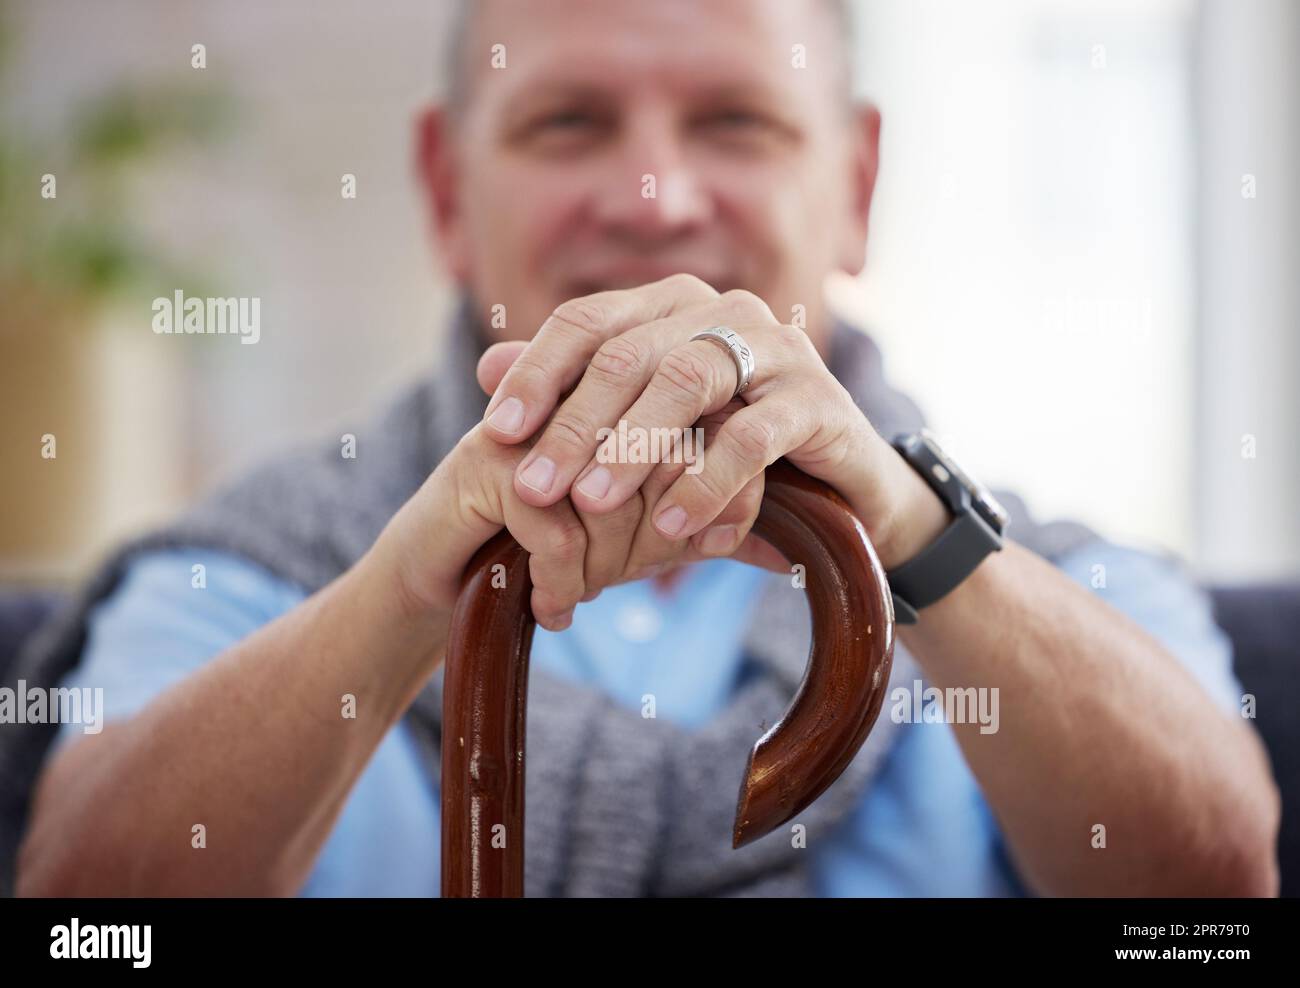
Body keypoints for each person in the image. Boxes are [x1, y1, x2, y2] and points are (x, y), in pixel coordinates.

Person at [10, 0, 1279, 897]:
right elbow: (86, 917)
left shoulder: (1041, 578)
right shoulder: (256, 568)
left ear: (856, 185)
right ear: (449, 192)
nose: (656, 198)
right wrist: (403, 593)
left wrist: (914, 539)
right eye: (568, 123)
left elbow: (1217, 893)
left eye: (736, 122)